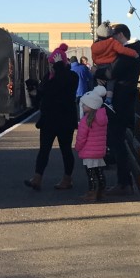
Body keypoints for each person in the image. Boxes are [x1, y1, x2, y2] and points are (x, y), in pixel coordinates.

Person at [24, 53, 78, 191]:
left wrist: (59, 66)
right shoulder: (49, 77)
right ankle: (37, 178)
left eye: (54, 64)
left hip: (65, 119)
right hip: (48, 119)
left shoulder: (71, 76)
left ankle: (67, 179)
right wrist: (34, 92)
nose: (51, 67)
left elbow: (63, 81)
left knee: (66, 149)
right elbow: (43, 94)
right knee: (44, 149)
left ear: (62, 63)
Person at [106, 22, 140, 192]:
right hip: (125, 101)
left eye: (113, 36)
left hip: (121, 102)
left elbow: (112, 72)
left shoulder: (129, 53)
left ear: (120, 35)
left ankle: (124, 183)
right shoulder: (134, 51)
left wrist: (97, 72)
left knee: (118, 141)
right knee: (119, 141)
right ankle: (124, 181)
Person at [74, 85, 109, 201]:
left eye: (84, 104)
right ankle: (102, 191)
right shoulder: (103, 119)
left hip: (89, 152)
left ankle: (92, 193)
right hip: (99, 152)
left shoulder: (86, 120)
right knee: (99, 173)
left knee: (91, 175)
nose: (82, 106)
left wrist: (78, 147)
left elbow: (81, 137)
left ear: (90, 106)